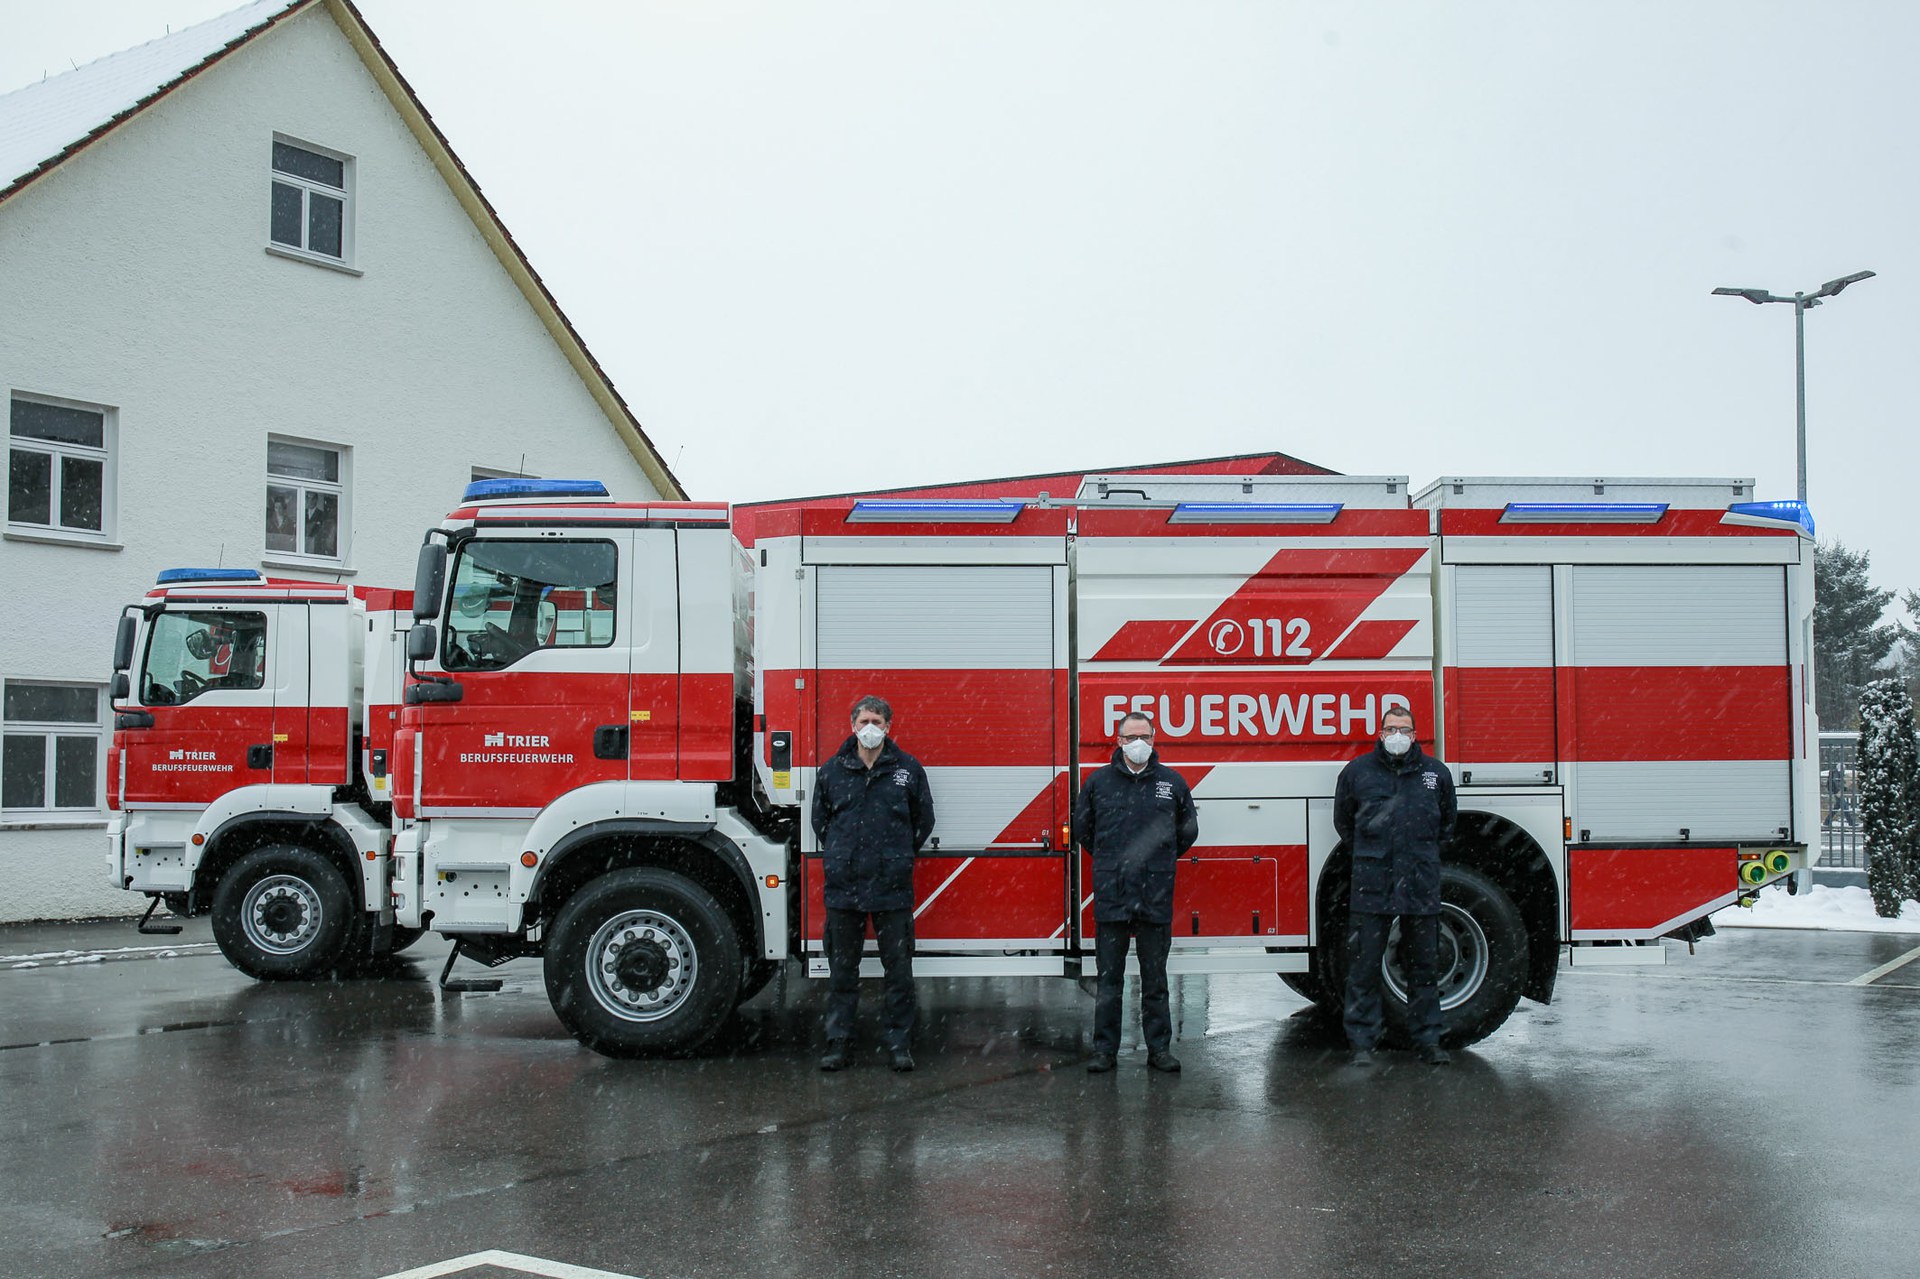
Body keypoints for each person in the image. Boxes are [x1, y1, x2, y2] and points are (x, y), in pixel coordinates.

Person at [811, 695, 935, 1072]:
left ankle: (899, 1044)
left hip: (891, 888)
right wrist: (844, 854)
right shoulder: (832, 771)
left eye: (877, 722)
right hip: (844, 888)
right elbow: (821, 823)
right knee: (842, 973)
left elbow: (923, 821)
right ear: (852, 725)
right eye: (864, 720)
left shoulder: (907, 770)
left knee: (898, 973)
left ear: (888, 727)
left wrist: (895, 855)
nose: (870, 728)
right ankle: (838, 1044)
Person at [1073, 710, 1198, 1074]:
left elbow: (1187, 831)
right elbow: (1085, 830)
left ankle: (1159, 1050)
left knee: (1155, 979)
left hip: (1155, 895)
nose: (1137, 744)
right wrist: (1117, 863)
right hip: (1112, 896)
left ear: (1154, 739)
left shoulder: (1172, 783)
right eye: (1130, 738)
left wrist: (1155, 860)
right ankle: (1104, 1051)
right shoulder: (1098, 783)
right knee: (1109, 980)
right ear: (1119, 741)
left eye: (1143, 736)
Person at [1334, 703, 1457, 1067]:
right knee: (1364, 967)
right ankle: (1361, 1044)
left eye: (1404, 729)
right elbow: (1345, 824)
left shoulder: (1435, 774)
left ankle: (1428, 1041)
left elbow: (1447, 826)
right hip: (1372, 885)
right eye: (1391, 729)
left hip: (1421, 884)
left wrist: (1420, 856)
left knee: (1423, 967)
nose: (1397, 736)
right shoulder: (1358, 773)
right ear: (1380, 732)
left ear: (1416, 735)